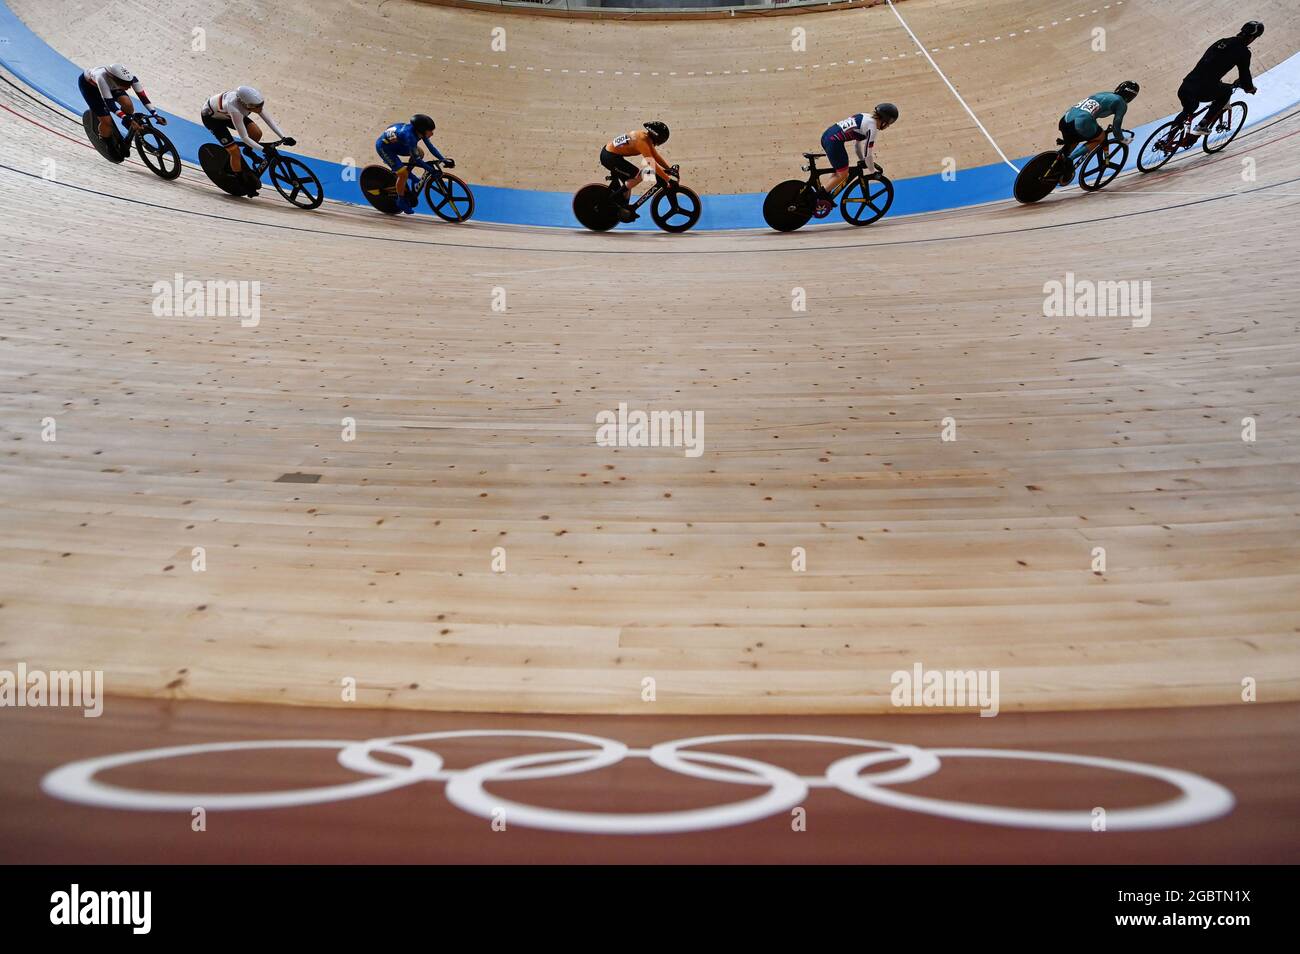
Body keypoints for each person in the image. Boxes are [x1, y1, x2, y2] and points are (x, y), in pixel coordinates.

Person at [1174, 21, 1262, 140]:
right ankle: (1202, 125)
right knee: (1226, 92)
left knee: (1188, 110)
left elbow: (1209, 63)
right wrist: (1249, 88)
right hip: (1202, 89)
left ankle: (1166, 141)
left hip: (1187, 85)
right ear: (1252, 38)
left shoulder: (1222, 41)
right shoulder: (1243, 52)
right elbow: (1244, 74)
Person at [200, 85, 295, 196]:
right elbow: (244, 137)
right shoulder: (234, 108)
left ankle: (248, 151)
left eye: (261, 105)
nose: (259, 109)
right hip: (213, 120)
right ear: (245, 104)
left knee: (256, 133)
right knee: (234, 151)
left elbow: (269, 120)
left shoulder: (252, 102)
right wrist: (262, 149)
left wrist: (283, 137)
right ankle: (240, 180)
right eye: (255, 107)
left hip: (225, 114)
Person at [817, 104, 896, 214]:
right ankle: (820, 195)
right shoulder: (872, 128)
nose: (889, 126)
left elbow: (857, 146)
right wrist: (873, 172)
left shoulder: (864, 116)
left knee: (839, 170)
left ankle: (826, 194)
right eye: (890, 123)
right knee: (843, 174)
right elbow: (868, 154)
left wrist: (861, 160)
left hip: (827, 136)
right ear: (885, 120)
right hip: (834, 142)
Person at [1056, 81, 1138, 183]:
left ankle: (1055, 162)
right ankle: (1070, 160)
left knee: (1073, 141)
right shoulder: (1121, 103)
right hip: (1082, 122)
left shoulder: (1104, 94)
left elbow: (1090, 111)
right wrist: (1122, 139)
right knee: (1101, 136)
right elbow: (1117, 126)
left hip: (1065, 120)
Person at [376, 114, 454, 214]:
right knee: (402, 173)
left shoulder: (418, 132)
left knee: (420, 152)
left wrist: (443, 159)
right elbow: (418, 161)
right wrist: (431, 170)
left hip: (398, 144)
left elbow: (431, 148)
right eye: (430, 131)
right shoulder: (410, 137)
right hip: (385, 148)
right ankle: (401, 200)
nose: (432, 134)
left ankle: (408, 172)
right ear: (421, 130)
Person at [600, 121, 674, 222]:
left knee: (633, 177)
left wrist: (668, 168)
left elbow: (655, 156)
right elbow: (651, 163)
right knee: (638, 175)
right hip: (610, 157)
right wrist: (668, 179)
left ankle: (623, 209)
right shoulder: (642, 142)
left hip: (611, 154)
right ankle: (613, 199)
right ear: (657, 137)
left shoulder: (646, 137)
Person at [78, 64, 162, 139]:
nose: (129, 87)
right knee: (107, 122)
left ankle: (126, 124)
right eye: (125, 85)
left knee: (128, 104)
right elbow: (111, 106)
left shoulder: (130, 79)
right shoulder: (101, 78)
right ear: (116, 81)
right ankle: (107, 142)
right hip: (90, 88)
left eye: (130, 84)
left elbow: (144, 98)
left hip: (112, 85)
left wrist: (155, 114)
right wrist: (128, 119)